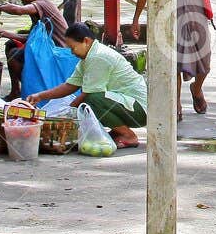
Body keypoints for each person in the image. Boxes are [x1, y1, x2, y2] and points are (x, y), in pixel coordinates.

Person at [24, 21, 146, 149]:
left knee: (92, 99)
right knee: (89, 100)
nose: (72, 52)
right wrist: (40, 96)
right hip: (126, 104)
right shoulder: (87, 58)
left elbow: (89, 93)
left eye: (73, 48)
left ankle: (128, 135)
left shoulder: (99, 56)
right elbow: (70, 85)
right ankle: (119, 131)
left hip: (139, 109)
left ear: (86, 41)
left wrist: (67, 113)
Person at [0, 0, 68, 99]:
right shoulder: (40, 6)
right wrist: (5, 34)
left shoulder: (41, 4)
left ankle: (32, 92)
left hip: (56, 51)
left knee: (14, 56)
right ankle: (15, 92)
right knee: (10, 45)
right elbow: (32, 37)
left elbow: (18, 10)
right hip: (45, 47)